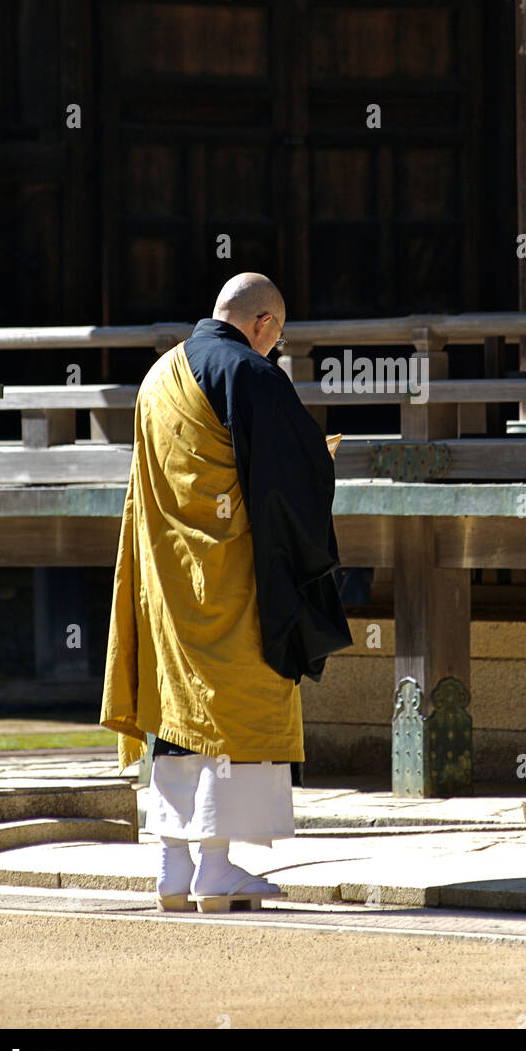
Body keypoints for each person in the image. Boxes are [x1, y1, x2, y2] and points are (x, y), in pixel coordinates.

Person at [101, 272, 352, 911]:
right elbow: (285, 482)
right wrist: (320, 460)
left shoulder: (159, 378)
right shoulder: (250, 374)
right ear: (263, 324)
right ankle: (216, 867)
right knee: (236, 707)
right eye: (277, 337)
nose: (272, 350)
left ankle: (172, 867)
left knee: (176, 716)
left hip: (169, 578)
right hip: (237, 578)